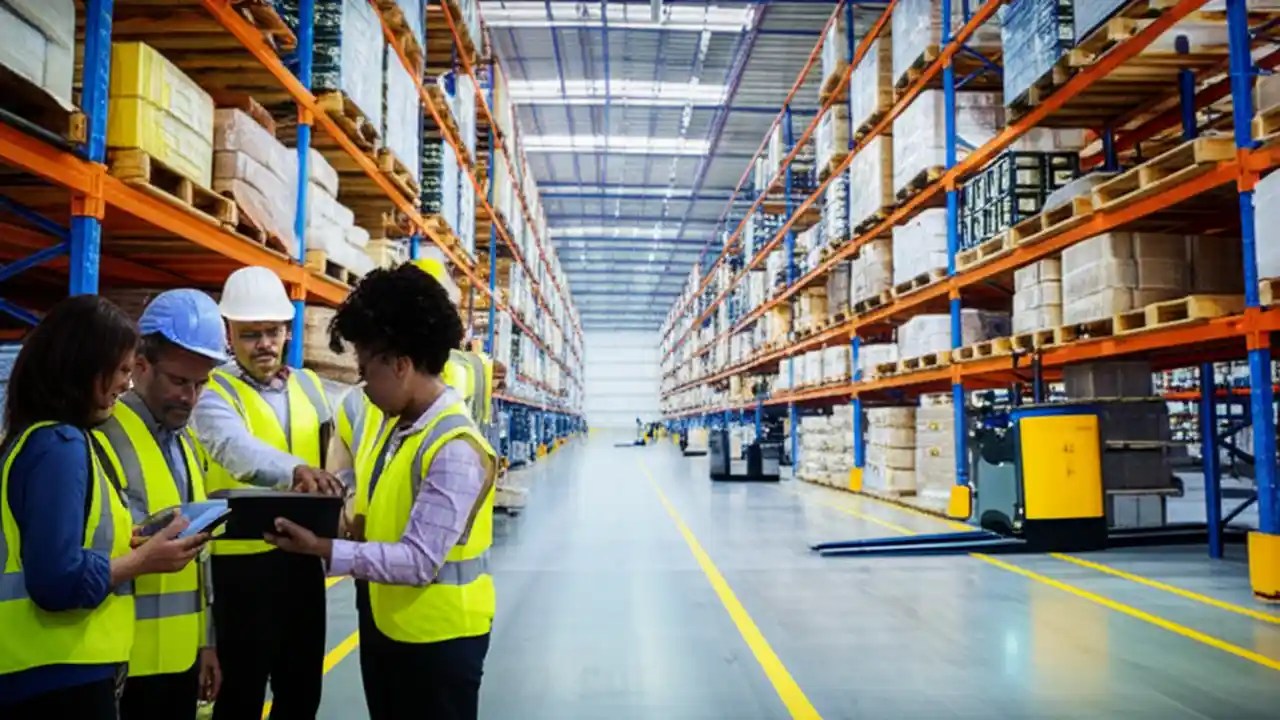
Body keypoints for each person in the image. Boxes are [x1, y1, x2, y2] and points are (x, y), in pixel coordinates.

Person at [265, 264, 497, 720]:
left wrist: (322, 549)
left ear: (400, 365)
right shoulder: (397, 427)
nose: (363, 386)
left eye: (366, 369)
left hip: (439, 643)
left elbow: (419, 560)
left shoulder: (454, 449)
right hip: (388, 626)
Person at [0, 295, 209, 718]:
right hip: (55, 674)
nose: (124, 384)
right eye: (122, 371)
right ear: (85, 369)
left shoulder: (42, 439)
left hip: (57, 670)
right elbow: (55, 580)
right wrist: (141, 561)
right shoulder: (60, 444)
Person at [191, 266, 341, 720]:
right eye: (250, 334)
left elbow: (339, 449)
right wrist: (296, 470)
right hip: (240, 569)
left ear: (287, 329)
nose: (265, 344)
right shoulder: (213, 392)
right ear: (228, 334)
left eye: (273, 331)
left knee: (301, 693)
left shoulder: (311, 387)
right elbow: (236, 450)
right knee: (241, 695)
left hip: (301, 563)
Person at [94, 290, 226, 720]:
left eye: (200, 384)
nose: (190, 397)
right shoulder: (103, 435)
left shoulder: (185, 444)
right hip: (119, 662)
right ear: (139, 366)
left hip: (179, 659)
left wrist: (206, 641)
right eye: (178, 381)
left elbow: (198, 554)